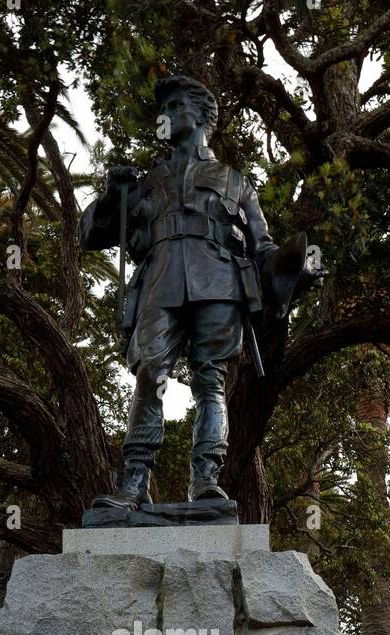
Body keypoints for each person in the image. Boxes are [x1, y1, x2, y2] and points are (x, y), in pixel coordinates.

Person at [80, 74, 320, 508]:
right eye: (163, 110)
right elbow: (92, 235)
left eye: (174, 107)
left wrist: (296, 270)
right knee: (149, 375)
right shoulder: (143, 182)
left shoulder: (235, 182)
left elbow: (262, 248)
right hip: (159, 281)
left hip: (220, 281)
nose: (166, 116)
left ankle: (206, 480)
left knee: (210, 383)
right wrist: (111, 195)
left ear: (201, 116)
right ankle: (132, 483)